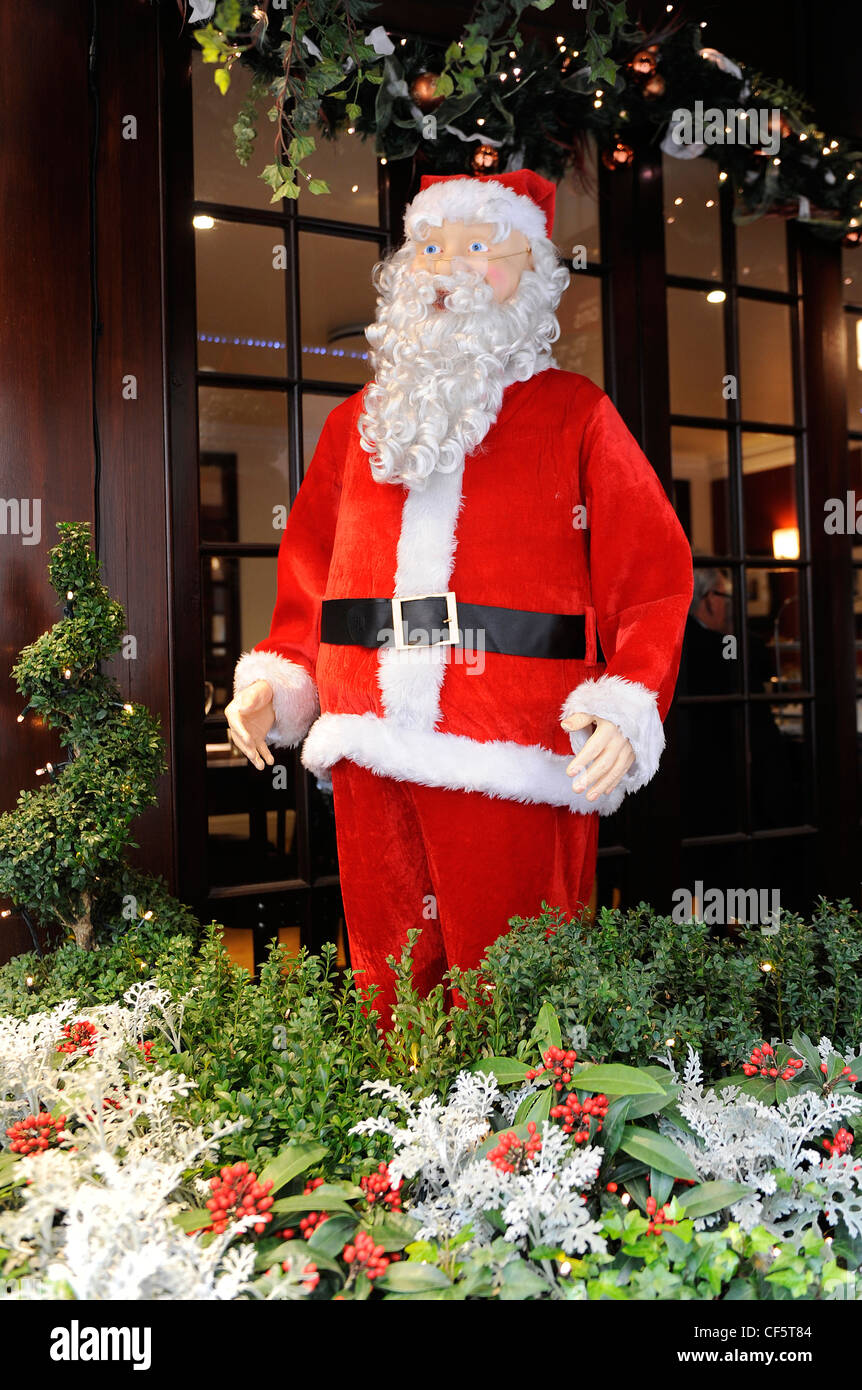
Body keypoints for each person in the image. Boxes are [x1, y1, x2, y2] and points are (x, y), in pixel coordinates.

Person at [225, 170, 693, 1024]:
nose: (447, 269)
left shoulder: (575, 414)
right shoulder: (355, 427)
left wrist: (629, 699)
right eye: (431, 248)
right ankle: (401, 1145)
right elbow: (308, 575)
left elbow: (653, 575)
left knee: (517, 1000)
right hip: (367, 741)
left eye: (479, 248)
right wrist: (277, 679)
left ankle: (526, 1150)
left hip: (514, 748)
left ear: (531, 271)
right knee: (390, 988)